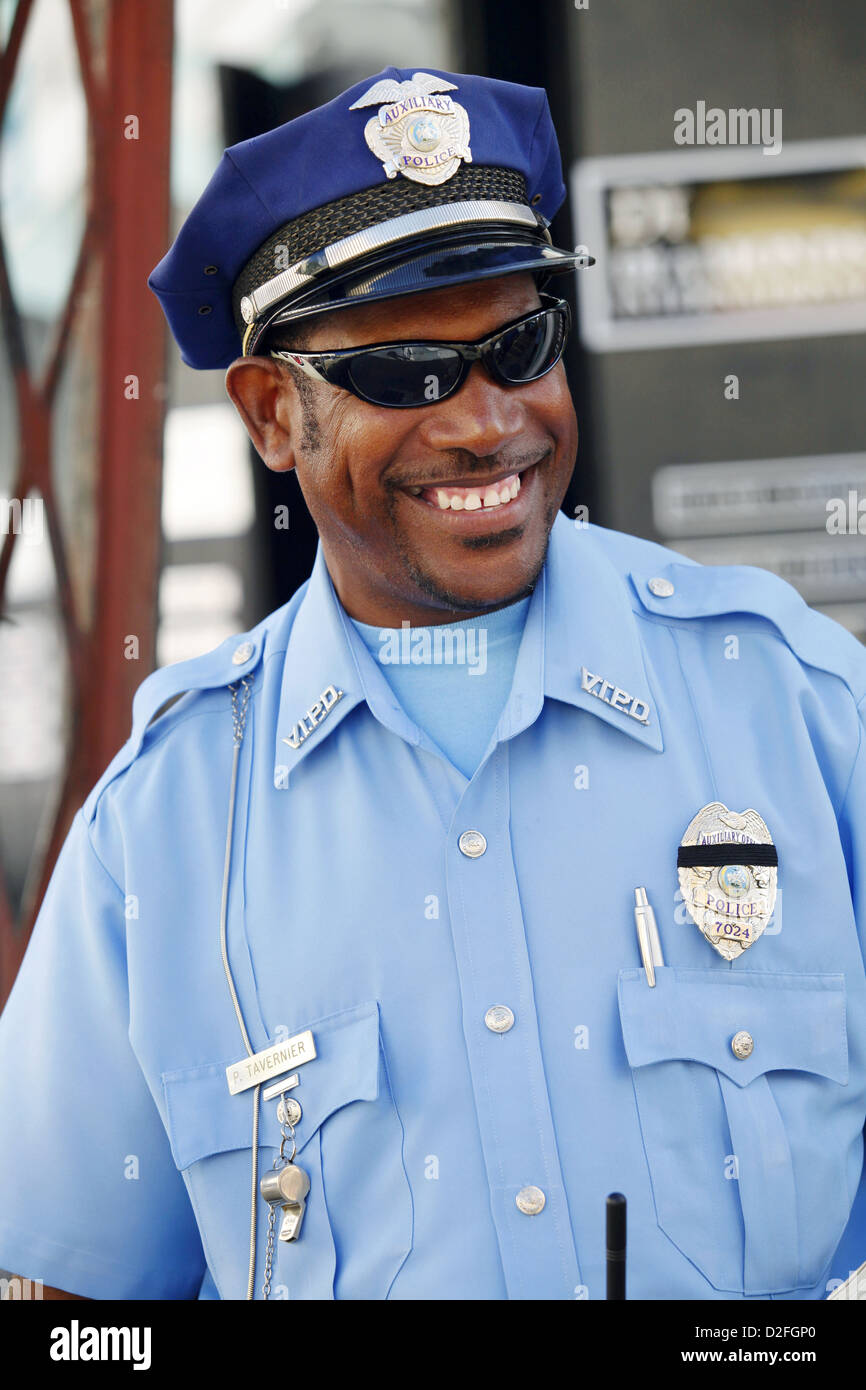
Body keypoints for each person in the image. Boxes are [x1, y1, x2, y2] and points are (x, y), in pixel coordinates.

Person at [1, 65, 865, 1302]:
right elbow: (72, 1307)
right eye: (405, 373)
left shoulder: (796, 706)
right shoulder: (165, 829)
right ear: (266, 414)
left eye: (517, 346)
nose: (483, 423)